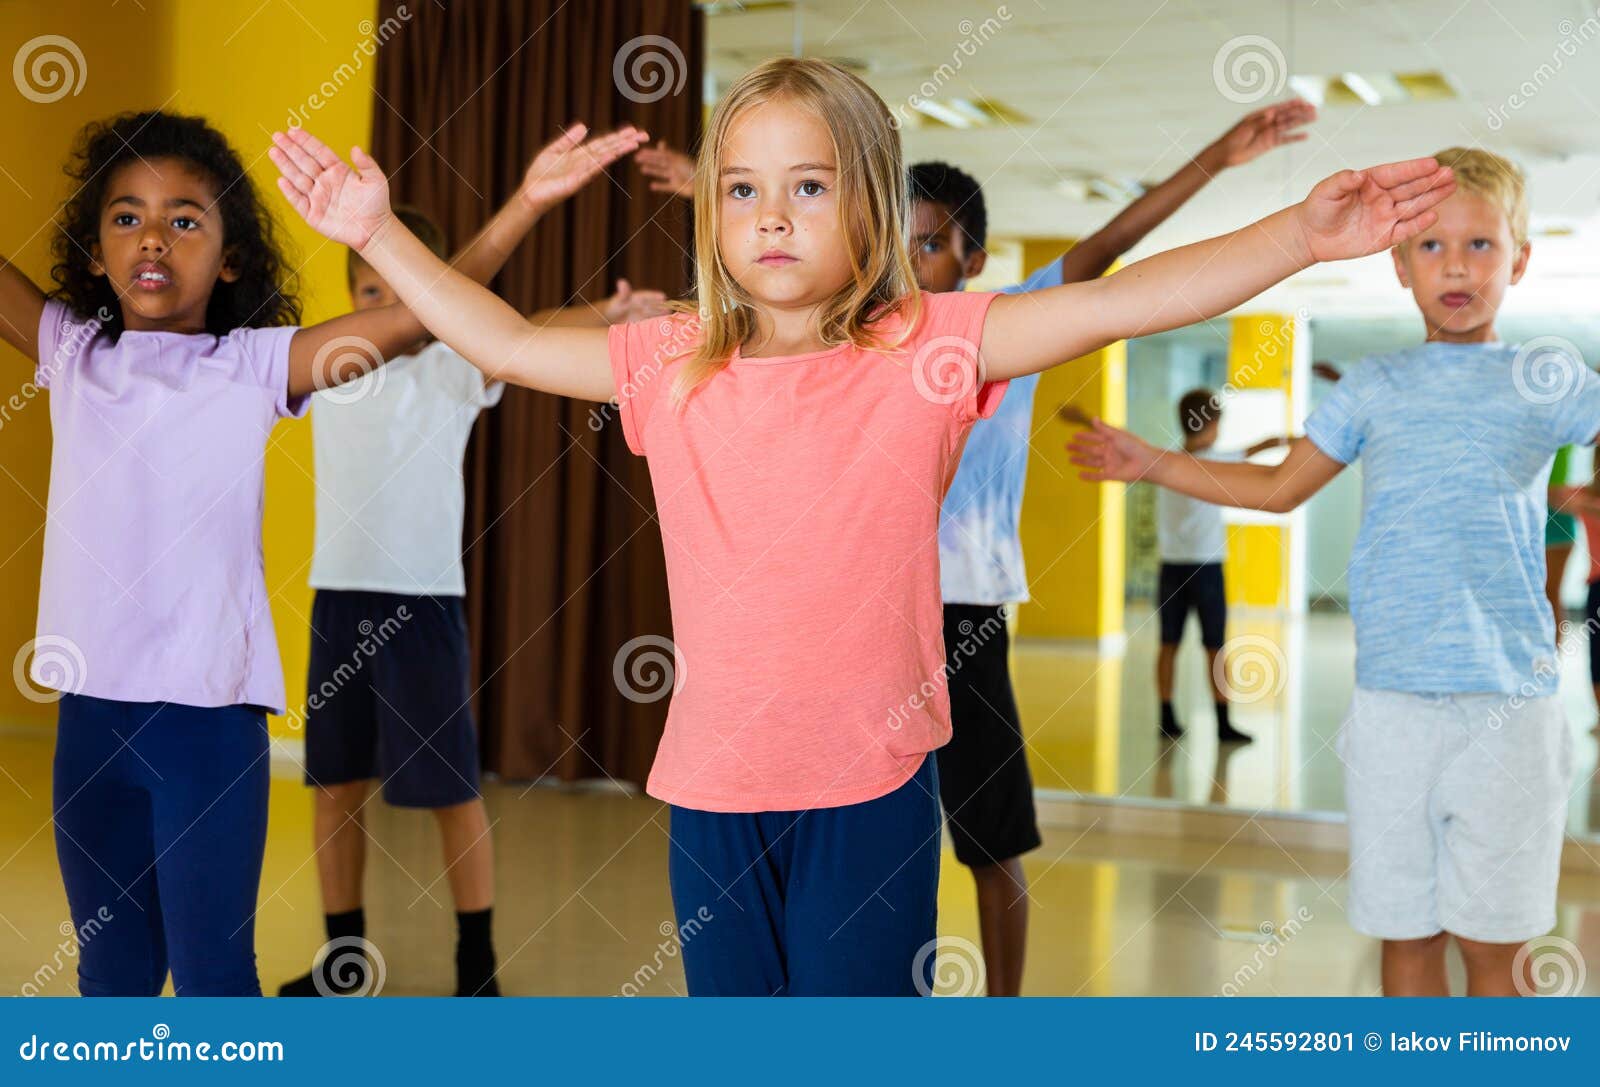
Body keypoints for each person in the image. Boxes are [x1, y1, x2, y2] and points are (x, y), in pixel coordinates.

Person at [273, 56, 1450, 995]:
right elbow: (506, 342)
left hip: (871, 785)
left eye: (808, 185)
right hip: (714, 790)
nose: (770, 216)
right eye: (741, 187)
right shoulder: (669, 357)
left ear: (870, 205)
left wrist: (1298, 235)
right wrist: (376, 233)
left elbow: (1118, 300)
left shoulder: (928, 346)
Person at [0, 110, 646, 996]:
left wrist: (524, 202)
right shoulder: (71, 354)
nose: (153, 235)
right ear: (95, 249)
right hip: (88, 726)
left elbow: (423, 320)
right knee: (110, 973)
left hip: (207, 732)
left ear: (229, 257)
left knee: (214, 974)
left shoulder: (259, 364)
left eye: (185, 218)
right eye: (126, 216)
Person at [1068, 148, 1585, 997]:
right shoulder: (1373, 386)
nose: (1456, 265)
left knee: (1495, 949)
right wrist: (1152, 460)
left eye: (1482, 245)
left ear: (1520, 258)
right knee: (1407, 939)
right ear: (1397, 262)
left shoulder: (1547, 378)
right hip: (1392, 709)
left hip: (1512, 712)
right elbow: (1277, 486)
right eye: (1430, 245)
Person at [900, 99, 1313, 995]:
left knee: (991, 831)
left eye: (931, 242)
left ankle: (1004, 1011)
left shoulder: (1007, 323)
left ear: (974, 256)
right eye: (898, 241)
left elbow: (1114, 240)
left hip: (964, 616)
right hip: (869, 617)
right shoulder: (862, 336)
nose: (912, 260)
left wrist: (1218, 152)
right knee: (881, 840)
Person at [278, 200, 667, 997]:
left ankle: (475, 964)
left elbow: (524, 328)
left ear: (432, 290)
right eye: (367, 289)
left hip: (419, 606)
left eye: (400, 289)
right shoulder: (329, 360)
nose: (381, 305)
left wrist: (609, 312)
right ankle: (342, 963)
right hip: (338, 600)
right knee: (335, 788)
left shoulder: (455, 364)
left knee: (451, 791)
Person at [1153, 388, 1290, 743]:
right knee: (1216, 646)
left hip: (1171, 568)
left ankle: (1166, 719)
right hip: (1207, 568)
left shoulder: (1166, 463)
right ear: (1211, 424)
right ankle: (1223, 723)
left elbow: (1257, 447)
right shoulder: (1216, 461)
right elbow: (1259, 449)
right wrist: (1294, 440)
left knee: (1169, 644)